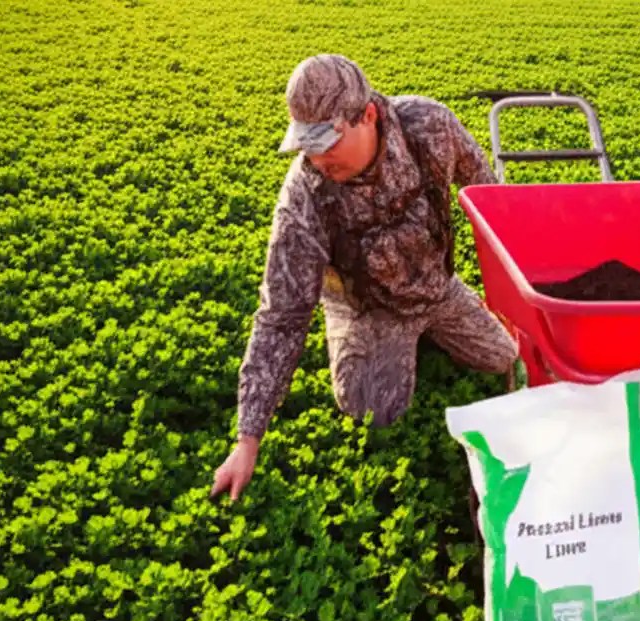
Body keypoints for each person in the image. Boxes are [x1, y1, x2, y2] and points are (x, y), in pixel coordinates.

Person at [211, 54, 518, 502]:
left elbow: (488, 198)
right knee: (373, 413)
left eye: (327, 142)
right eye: (306, 145)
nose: (317, 158)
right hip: (368, 308)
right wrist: (247, 439)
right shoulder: (304, 199)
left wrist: (519, 273)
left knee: (504, 357)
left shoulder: (429, 126)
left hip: (437, 290)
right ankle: (350, 333)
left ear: (368, 115)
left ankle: (431, 332)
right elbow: (281, 318)